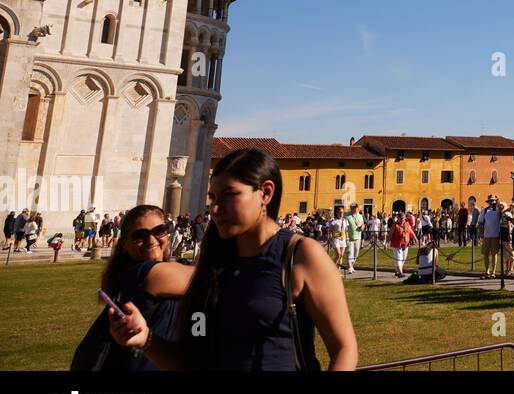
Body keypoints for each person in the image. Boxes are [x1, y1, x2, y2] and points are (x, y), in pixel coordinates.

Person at [108, 149, 358, 370]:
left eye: (229, 195)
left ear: (266, 193)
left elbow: (344, 350)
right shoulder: (211, 266)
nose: (215, 208)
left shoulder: (301, 255)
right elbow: (193, 361)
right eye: (213, 198)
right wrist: (146, 339)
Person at [74, 204, 193, 371]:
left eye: (159, 230)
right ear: (124, 243)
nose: (151, 240)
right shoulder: (147, 274)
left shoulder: (128, 273)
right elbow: (212, 278)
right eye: (140, 236)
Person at [389, 209, 413, 278]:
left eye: (403, 218)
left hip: (405, 244)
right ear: (398, 218)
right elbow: (390, 235)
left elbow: (411, 232)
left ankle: (397, 270)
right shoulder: (395, 225)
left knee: (403, 258)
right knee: (399, 258)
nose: (402, 219)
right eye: (401, 218)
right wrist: (386, 243)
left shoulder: (407, 224)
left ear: (405, 218)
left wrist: (415, 238)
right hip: (396, 244)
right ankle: (400, 272)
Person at [481, 197, 502, 278]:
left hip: (495, 235)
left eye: (493, 201)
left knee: (494, 254)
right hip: (486, 235)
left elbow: (501, 218)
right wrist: (481, 233)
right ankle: (487, 271)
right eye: (491, 201)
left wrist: (499, 209)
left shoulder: (498, 211)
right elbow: (480, 222)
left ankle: (493, 272)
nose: (492, 202)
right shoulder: (485, 211)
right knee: (486, 254)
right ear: (488, 202)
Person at [343, 203, 364, 275]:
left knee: (356, 254)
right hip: (349, 237)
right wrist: (347, 237)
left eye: (355, 207)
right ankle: (350, 268)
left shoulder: (360, 216)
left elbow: (362, 224)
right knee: (350, 253)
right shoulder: (346, 215)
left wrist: (362, 227)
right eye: (352, 207)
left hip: (358, 237)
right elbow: (344, 227)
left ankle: (351, 266)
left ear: (357, 208)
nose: (354, 208)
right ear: (350, 208)